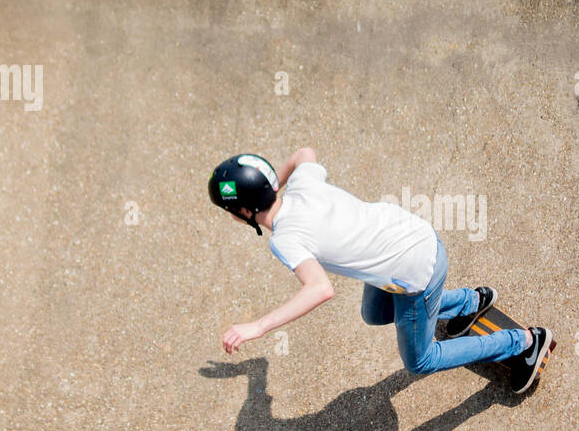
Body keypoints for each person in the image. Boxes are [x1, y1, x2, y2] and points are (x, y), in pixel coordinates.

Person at [208, 149, 551, 393]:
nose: (230, 216)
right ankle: (469, 303)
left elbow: (319, 289)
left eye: (229, 211)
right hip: (412, 236)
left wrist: (259, 326)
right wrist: (277, 183)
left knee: (421, 360)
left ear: (244, 210)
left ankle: (523, 343)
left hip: (416, 272)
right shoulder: (302, 186)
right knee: (375, 314)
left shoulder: (285, 239)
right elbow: (304, 153)